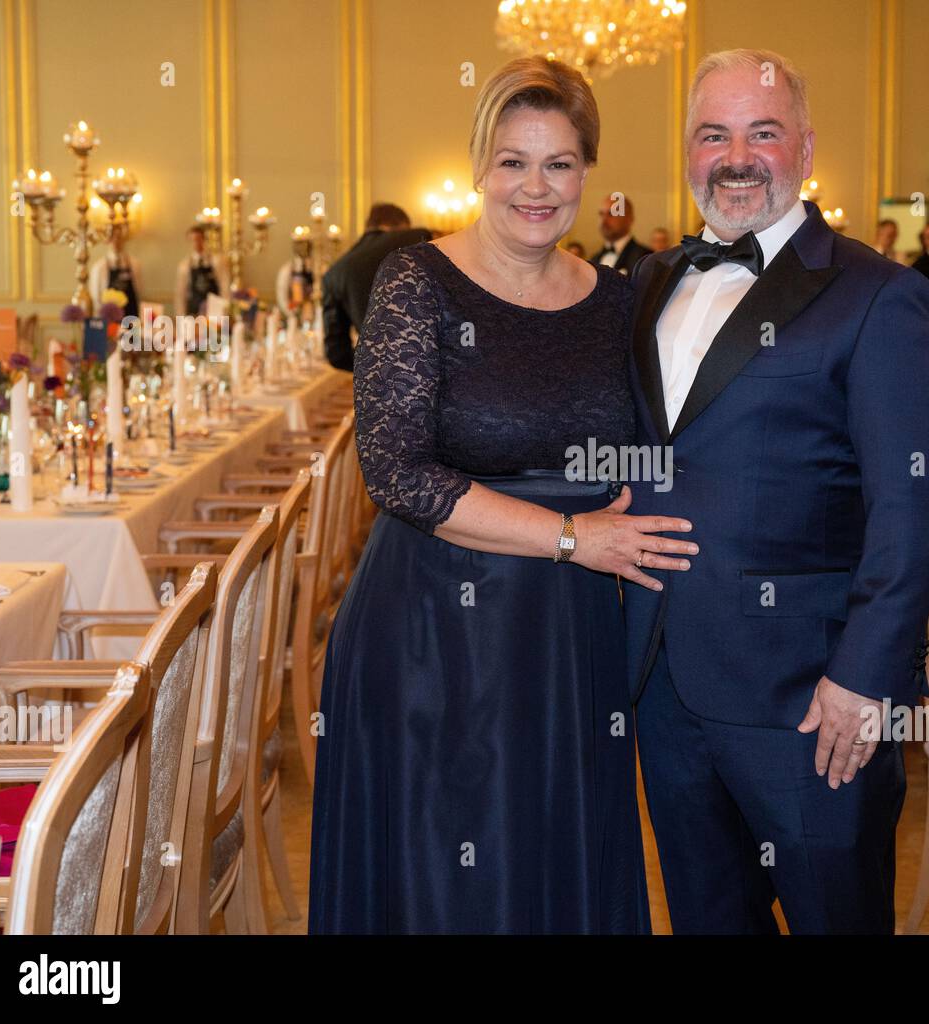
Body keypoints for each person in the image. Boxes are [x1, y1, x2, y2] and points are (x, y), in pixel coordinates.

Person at [308, 55, 697, 934]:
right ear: (480, 165)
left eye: (558, 163)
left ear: (588, 174)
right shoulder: (416, 283)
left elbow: (655, 447)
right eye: (514, 161)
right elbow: (396, 471)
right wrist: (572, 536)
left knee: (558, 863)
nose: (536, 186)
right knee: (446, 877)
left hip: (570, 637)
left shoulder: (620, 302)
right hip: (437, 632)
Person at [624, 48, 929, 934]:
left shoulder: (879, 296)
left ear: (806, 150)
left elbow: (913, 504)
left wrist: (863, 678)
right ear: (687, 153)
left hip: (811, 704)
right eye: (713, 135)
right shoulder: (652, 281)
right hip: (662, 682)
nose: (736, 157)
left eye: (762, 133)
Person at [319, 203, 430, 370]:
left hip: (383, 380)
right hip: (431, 364)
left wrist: (373, 366)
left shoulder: (334, 273)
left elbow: (337, 354)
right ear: (401, 227)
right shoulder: (415, 238)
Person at [89, 224, 143, 319]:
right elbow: (96, 300)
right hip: (109, 320)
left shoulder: (135, 265)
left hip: (131, 317)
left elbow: (139, 293)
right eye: (112, 237)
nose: (116, 241)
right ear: (107, 240)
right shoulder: (99, 267)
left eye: (119, 237)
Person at [174, 225, 228, 317]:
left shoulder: (216, 261)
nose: (196, 243)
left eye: (198, 239)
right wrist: (180, 315)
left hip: (215, 310)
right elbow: (180, 293)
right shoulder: (185, 265)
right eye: (192, 240)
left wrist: (225, 310)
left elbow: (224, 286)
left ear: (204, 240)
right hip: (194, 310)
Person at [590, 194, 652, 275]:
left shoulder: (645, 258)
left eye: (611, 214)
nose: (604, 221)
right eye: (601, 214)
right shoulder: (594, 260)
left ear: (629, 219)